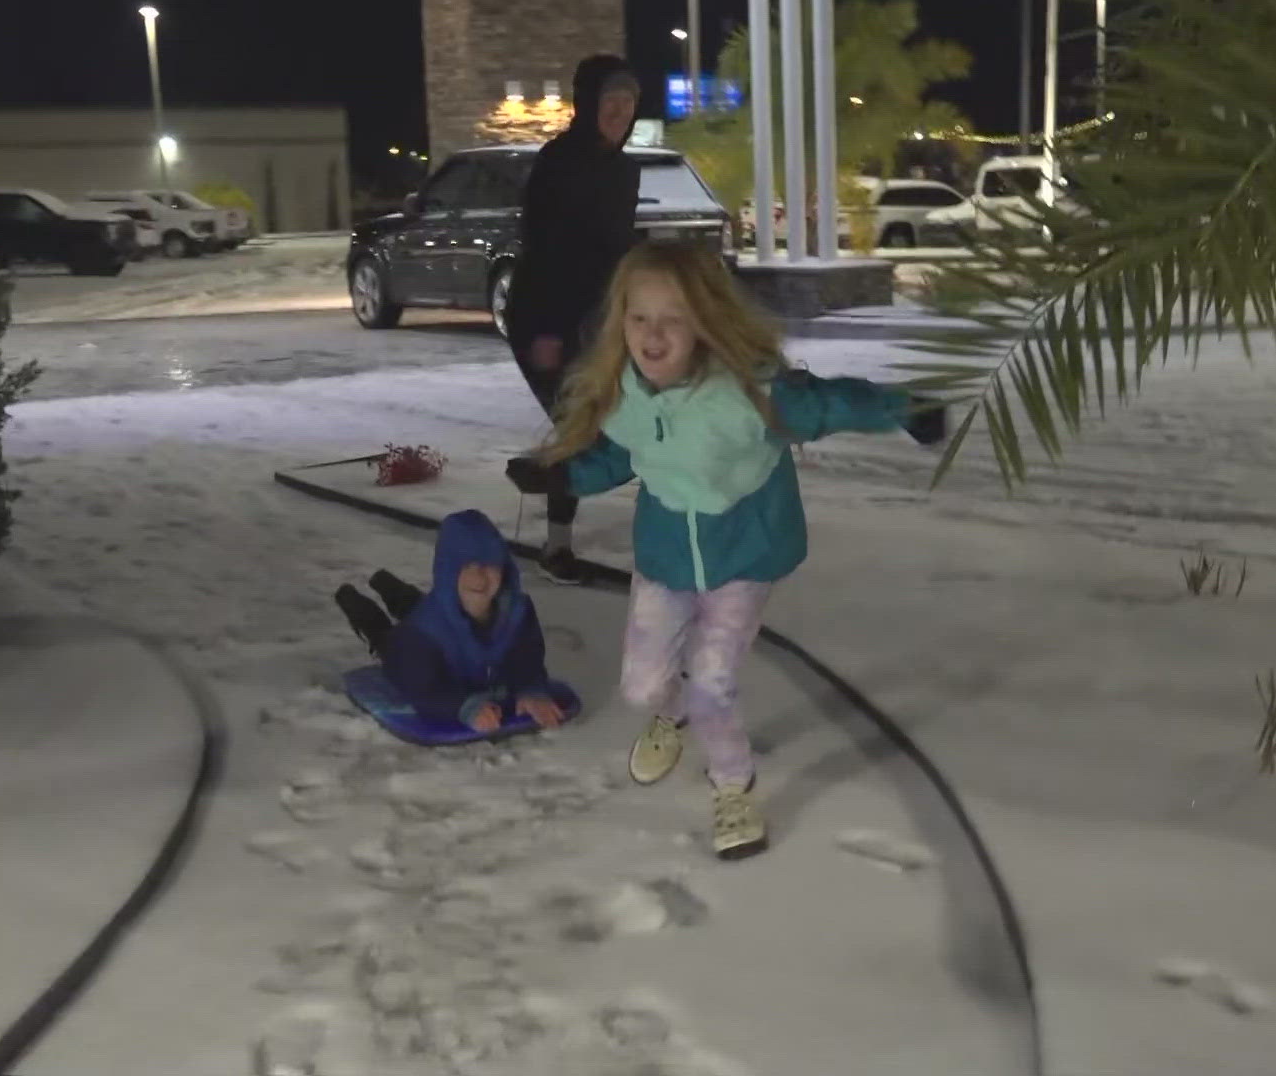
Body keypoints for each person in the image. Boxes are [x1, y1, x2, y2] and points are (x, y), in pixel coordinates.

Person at [504, 243, 947, 859]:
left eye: (673, 319)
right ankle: (673, 715)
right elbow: (618, 455)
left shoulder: (747, 394)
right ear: (620, 322)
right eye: (639, 319)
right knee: (643, 687)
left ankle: (733, 786)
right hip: (666, 556)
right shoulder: (624, 393)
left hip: (743, 553)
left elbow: (829, 402)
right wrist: (560, 475)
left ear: (704, 320)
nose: (653, 336)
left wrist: (906, 407)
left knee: (713, 683)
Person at [503, 53, 643, 585]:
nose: (619, 111)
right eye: (610, 100)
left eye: (628, 102)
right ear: (588, 104)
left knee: (625, 415)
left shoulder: (623, 170)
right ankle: (557, 545)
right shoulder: (558, 164)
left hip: (597, 316)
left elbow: (615, 248)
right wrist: (548, 331)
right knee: (578, 426)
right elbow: (546, 252)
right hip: (546, 315)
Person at [334, 510, 565, 733]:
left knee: (419, 605)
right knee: (387, 636)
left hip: (439, 621)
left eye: (488, 564)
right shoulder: (420, 632)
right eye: (466, 566)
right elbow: (422, 687)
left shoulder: (519, 611)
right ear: (448, 571)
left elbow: (527, 659)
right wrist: (461, 707)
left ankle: (387, 584)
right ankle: (351, 598)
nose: (478, 576)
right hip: (405, 652)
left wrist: (530, 689)